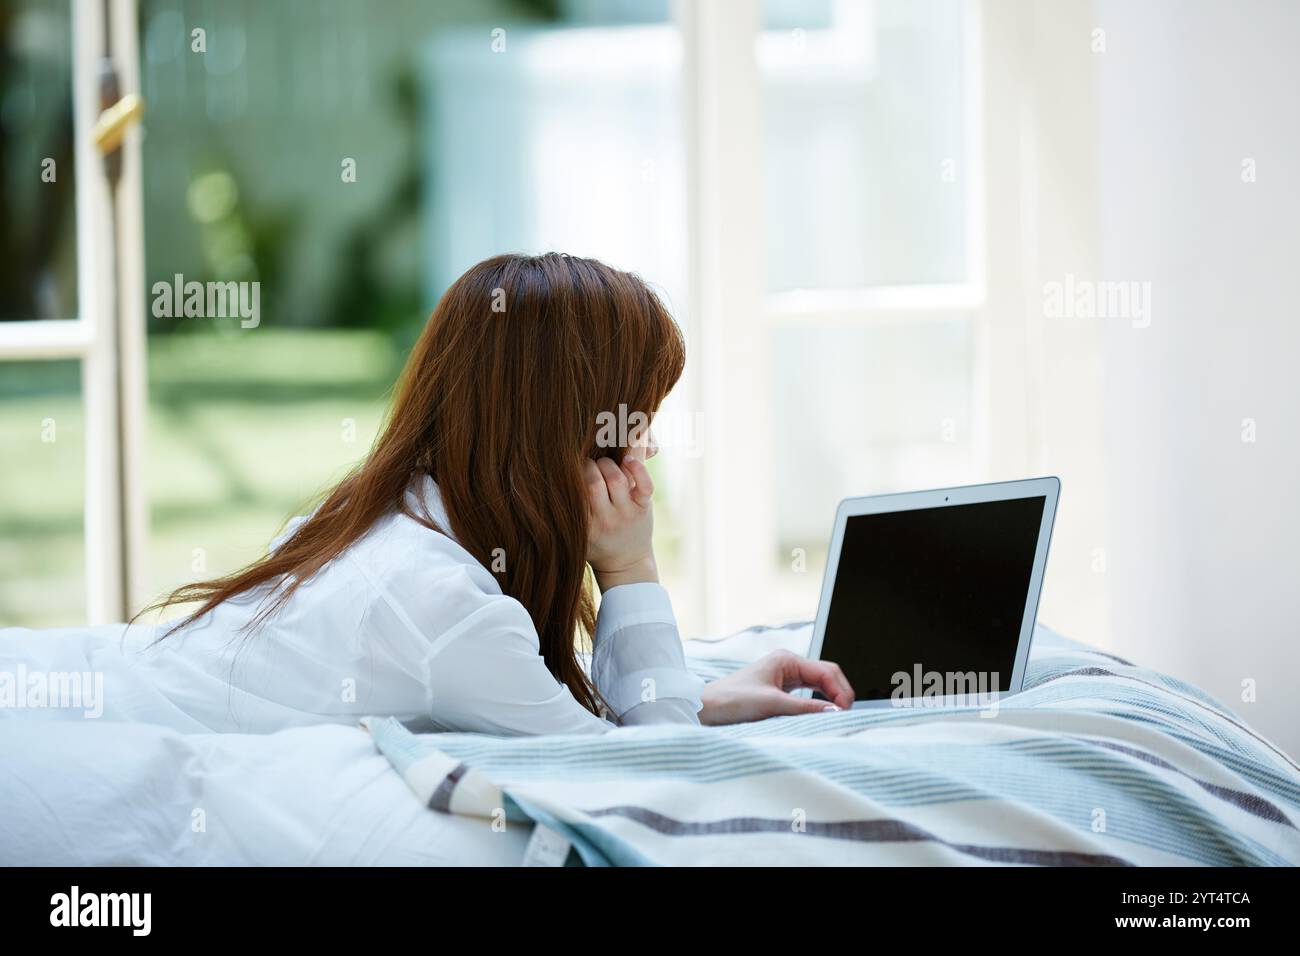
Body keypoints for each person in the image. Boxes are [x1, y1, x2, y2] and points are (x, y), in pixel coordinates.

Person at [0, 253, 853, 734]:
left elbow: (552, 702)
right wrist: (629, 569)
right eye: (634, 418)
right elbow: (648, 775)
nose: (650, 443)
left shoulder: (395, 513)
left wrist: (706, 695)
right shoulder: (448, 613)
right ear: (566, 431)